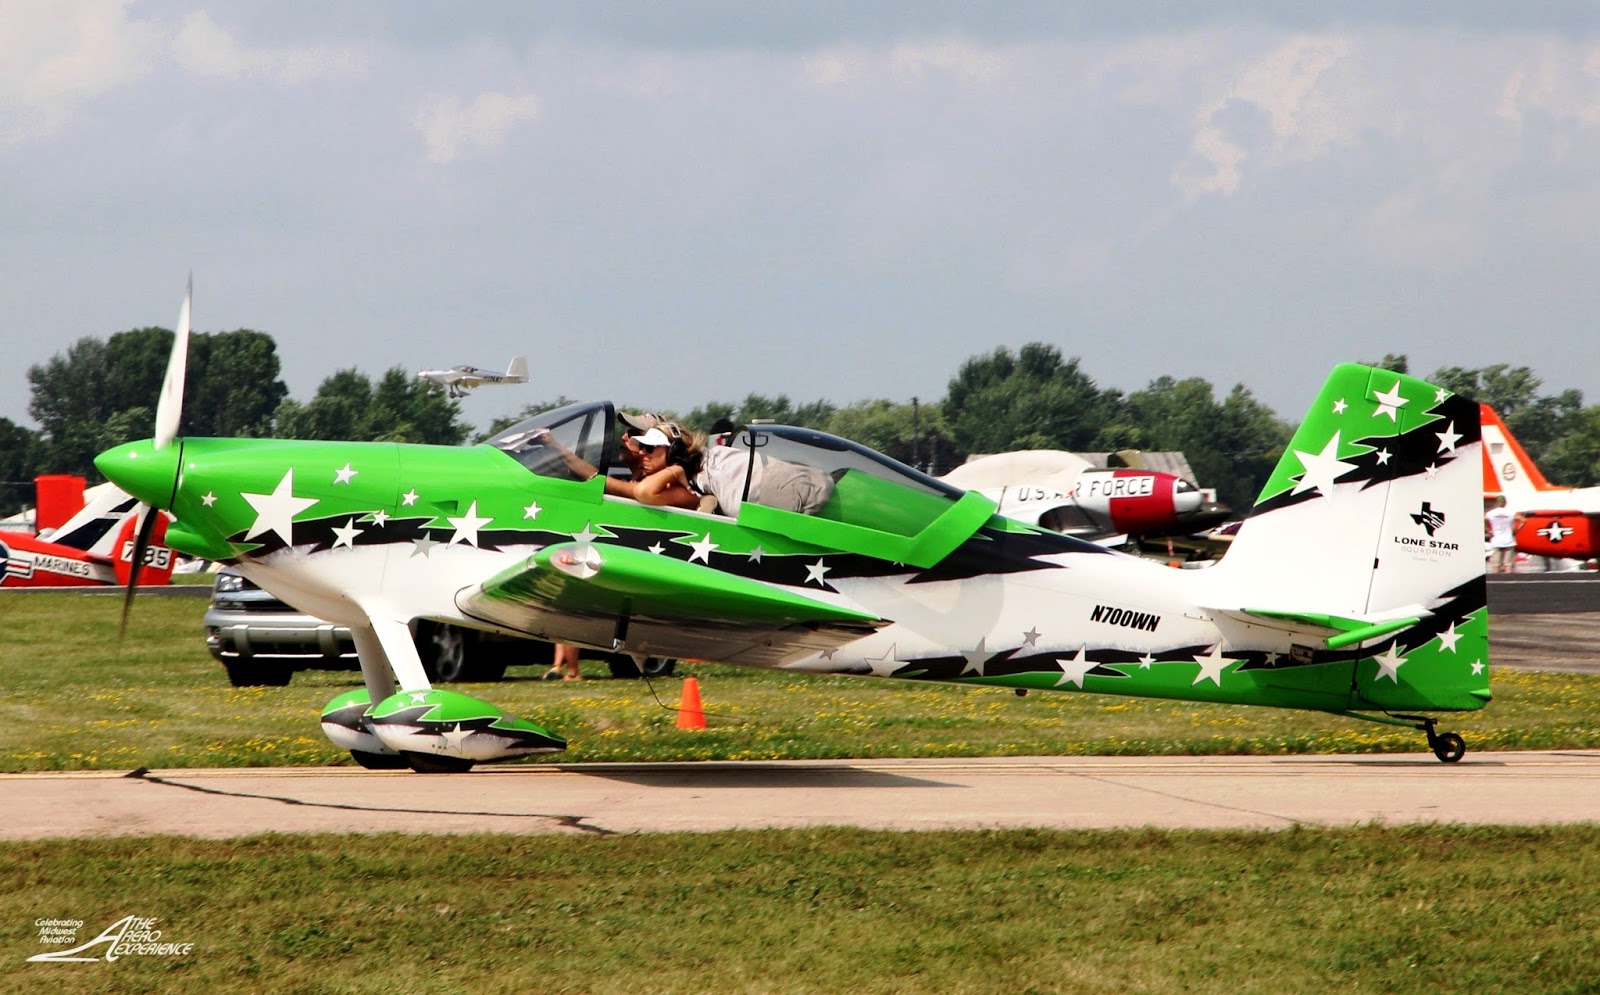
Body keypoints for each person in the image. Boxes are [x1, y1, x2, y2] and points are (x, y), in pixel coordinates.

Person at [1486, 496, 1518, 574]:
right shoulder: (1511, 512)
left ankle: (1495, 583)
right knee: (1508, 564)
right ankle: (1509, 583)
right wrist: (1516, 530)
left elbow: (1483, 520)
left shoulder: (1490, 513)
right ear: (1505, 503)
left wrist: (1489, 531)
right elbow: (1523, 520)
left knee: (1496, 565)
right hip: (1509, 539)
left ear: (1497, 503)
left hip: (1497, 540)